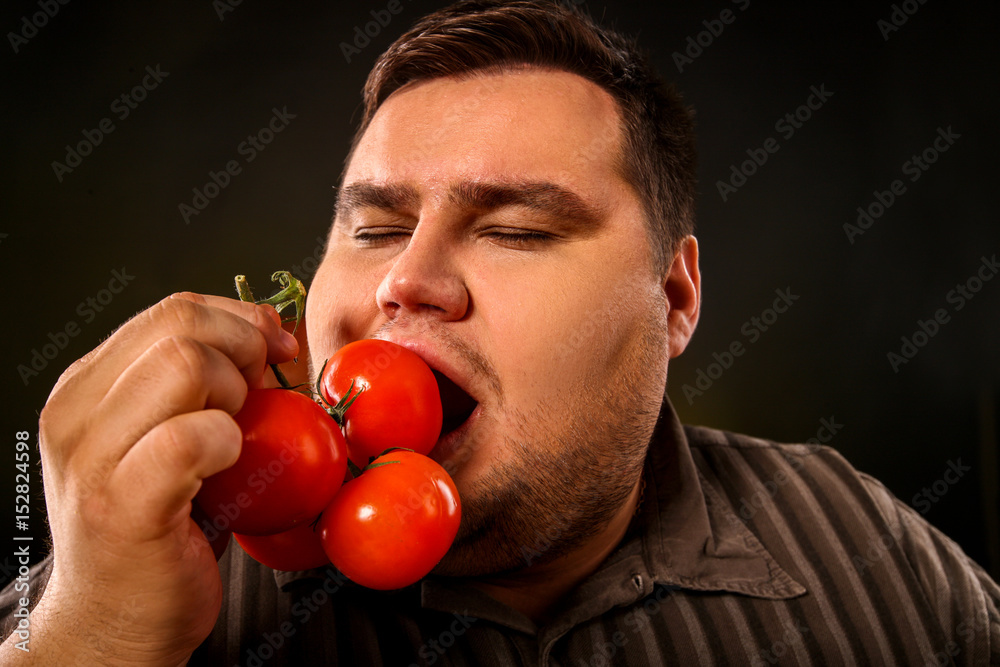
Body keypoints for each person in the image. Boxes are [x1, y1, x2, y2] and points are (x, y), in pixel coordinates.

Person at [2, 0, 998, 664]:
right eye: (377, 228)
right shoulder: (143, 567)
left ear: (677, 299)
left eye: (519, 229)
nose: (406, 279)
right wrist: (82, 642)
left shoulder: (876, 562)